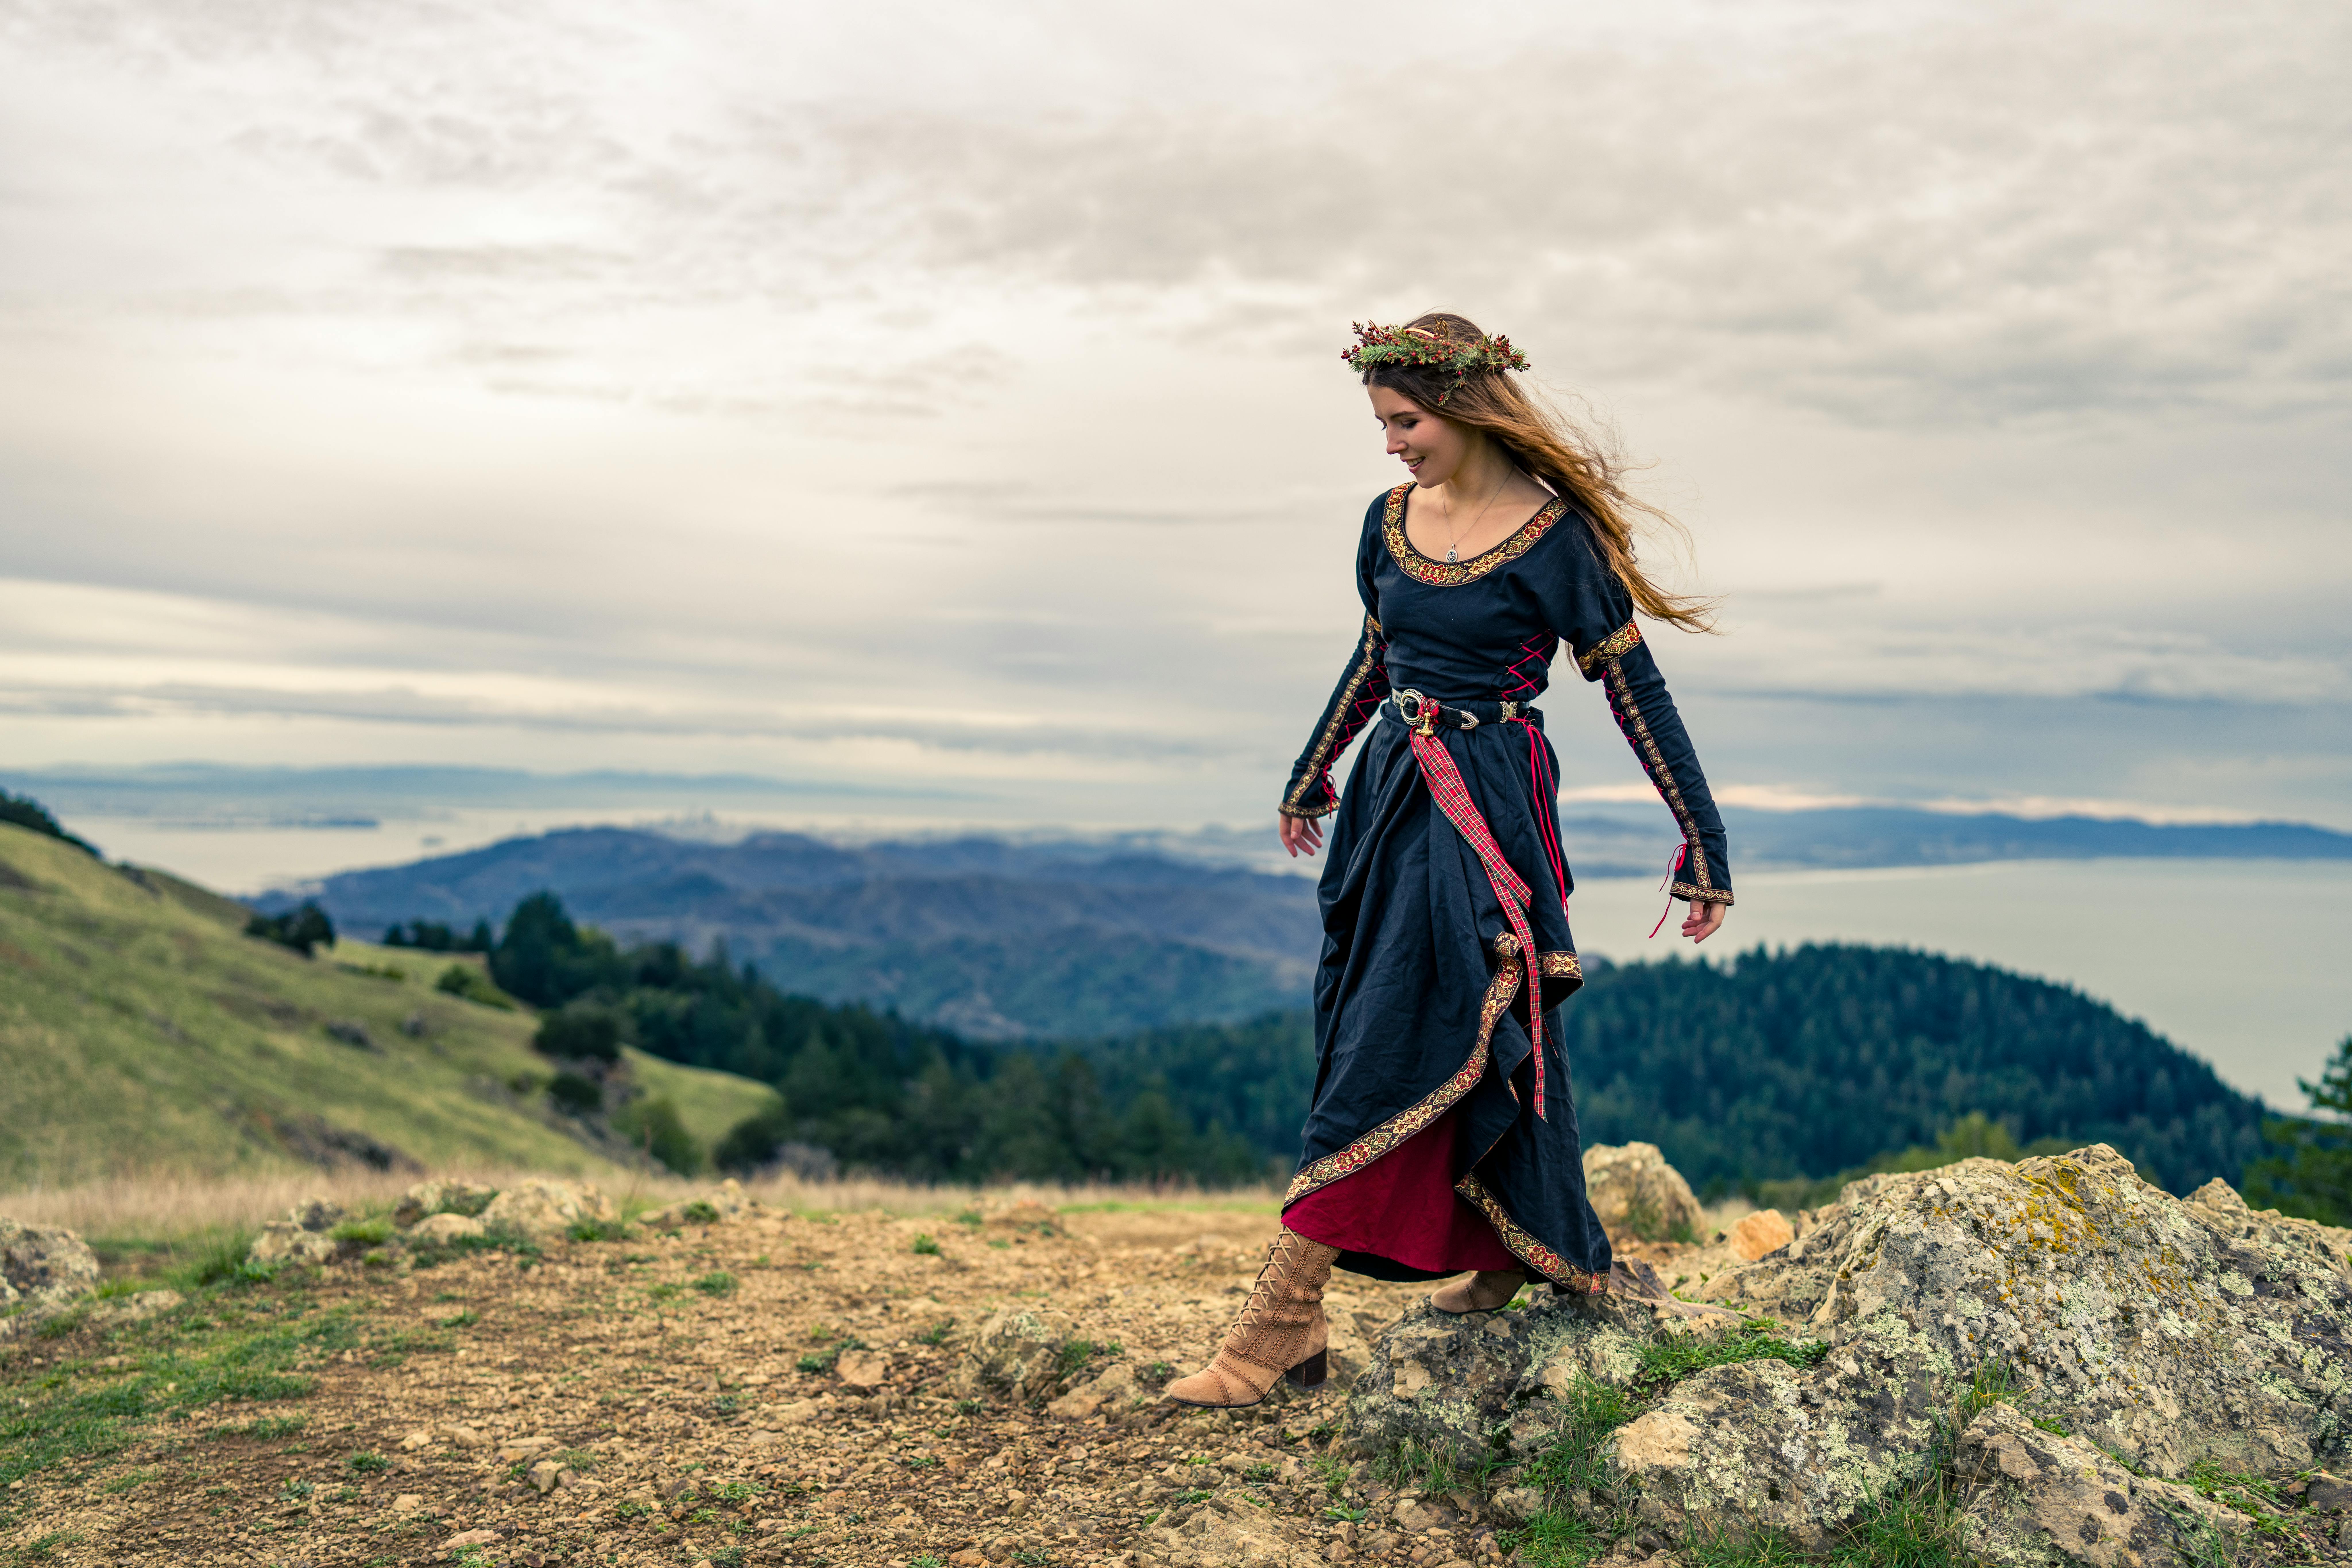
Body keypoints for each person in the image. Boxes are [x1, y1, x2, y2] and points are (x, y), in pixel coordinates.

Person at [1167, 314, 1734, 1408]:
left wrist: (1701, 839)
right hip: (1391, 801)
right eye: (1382, 423)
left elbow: (1635, 689)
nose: (1391, 444)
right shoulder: (1387, 521)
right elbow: (1377, 658)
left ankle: (1279, 1324)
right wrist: (1311, 769)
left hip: (1491, 806)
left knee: (1411, 1027)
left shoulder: (1556, 540)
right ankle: (1497, 1253)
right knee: (1384, 1020)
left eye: (1406, 420)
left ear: (1468, 407)